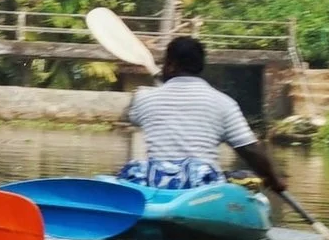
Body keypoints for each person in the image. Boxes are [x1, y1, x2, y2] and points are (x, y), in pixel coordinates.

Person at [120, 35, 289, 190]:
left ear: (170, 65)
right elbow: (250, 151)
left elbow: (131, 116)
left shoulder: (143, 97)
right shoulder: (224, 103)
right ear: (200, 66)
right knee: (244, 178)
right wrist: (274, 181)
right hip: (201, 186)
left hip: (156, 183)